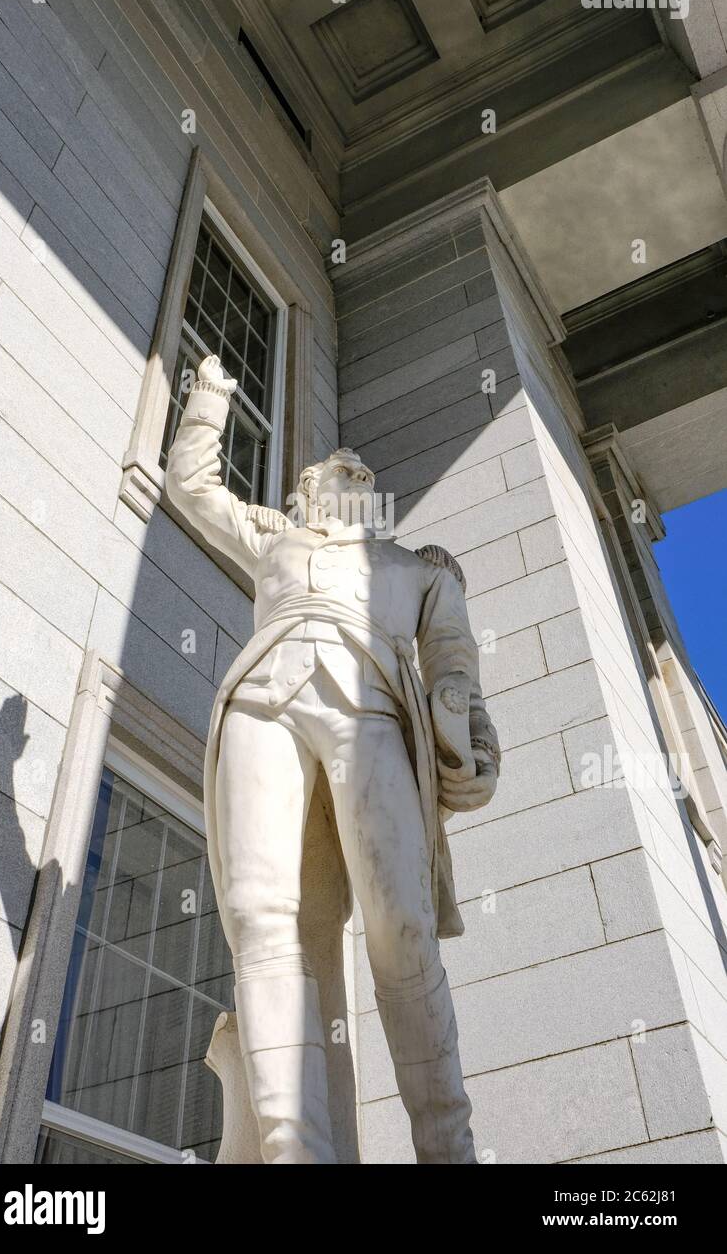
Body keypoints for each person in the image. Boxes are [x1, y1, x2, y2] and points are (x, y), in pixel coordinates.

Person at [166, 354, 500, 1164]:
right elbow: (191, 489)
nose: (351, 469)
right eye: (334, 466)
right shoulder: (275, 536)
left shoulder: (419, 571)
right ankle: (296, 1152)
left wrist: (472, 742)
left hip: (372, 710)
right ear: (305, 490)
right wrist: (207, 401)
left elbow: (454, 668)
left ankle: (446, 1150)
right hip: (263, 703)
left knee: (401, 924)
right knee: (259, 914)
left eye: (362, 469)